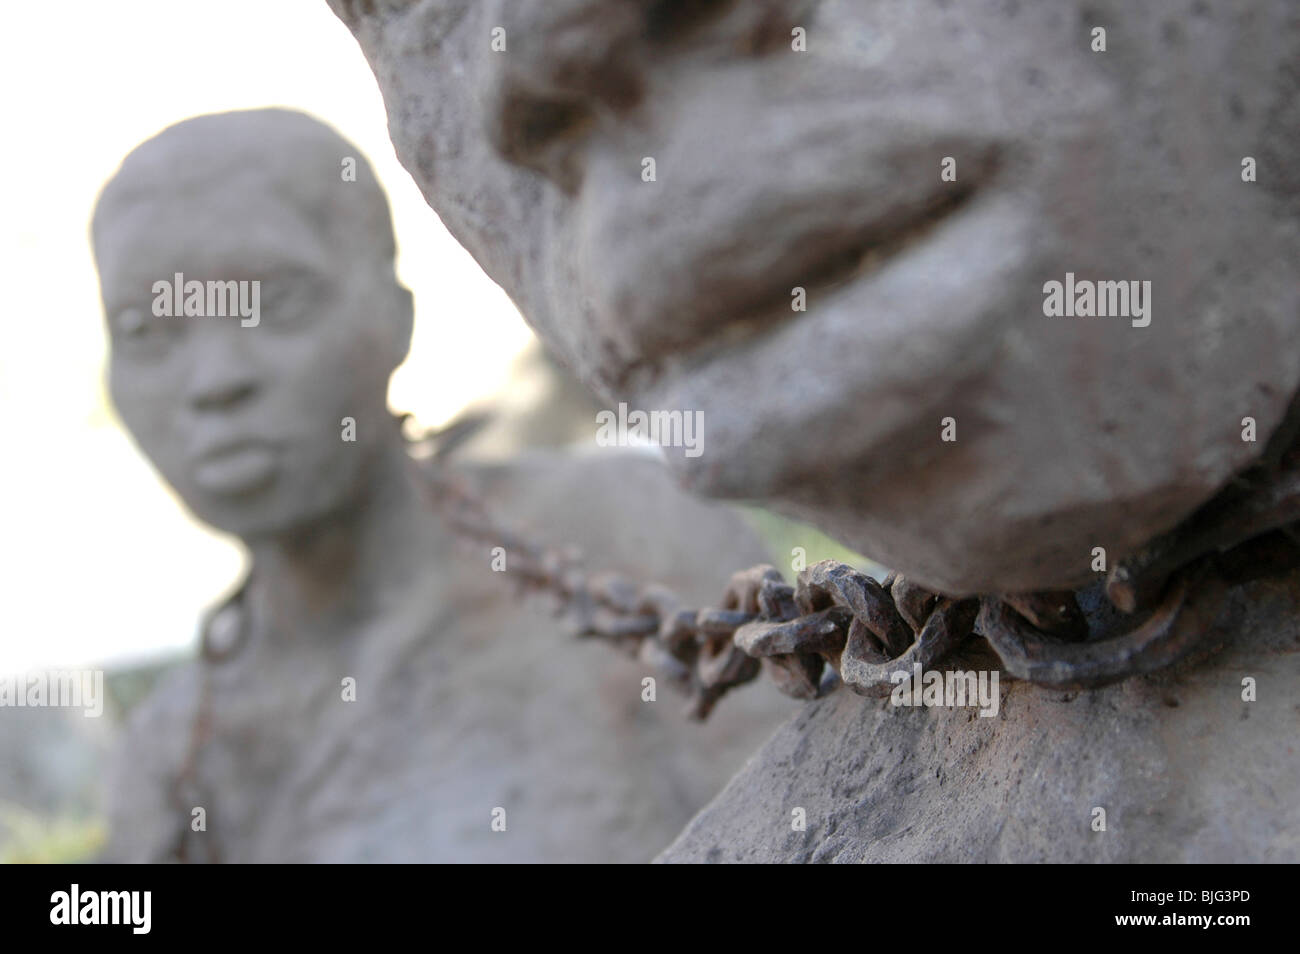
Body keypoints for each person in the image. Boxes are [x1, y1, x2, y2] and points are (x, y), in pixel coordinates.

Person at [92, 108, 791, 862]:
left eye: (279, 302)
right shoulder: (171, 761)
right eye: (147, 332)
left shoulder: (625, 535)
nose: (215, 381)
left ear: (396, 320)